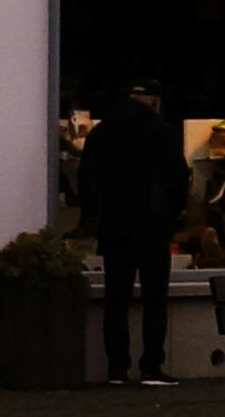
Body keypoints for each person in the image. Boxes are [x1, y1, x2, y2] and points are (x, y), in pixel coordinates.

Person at [76, 81, 189, 386]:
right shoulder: (162, 133)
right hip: (153, 226)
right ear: (154, 102)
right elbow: (179, 178)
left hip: (115, 226)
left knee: (117, 299)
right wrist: (173, 213)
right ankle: (151, 365)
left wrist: (92, 216)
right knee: (155, 299)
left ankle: (117, 369)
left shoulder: (101, 134)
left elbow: (86, 180)